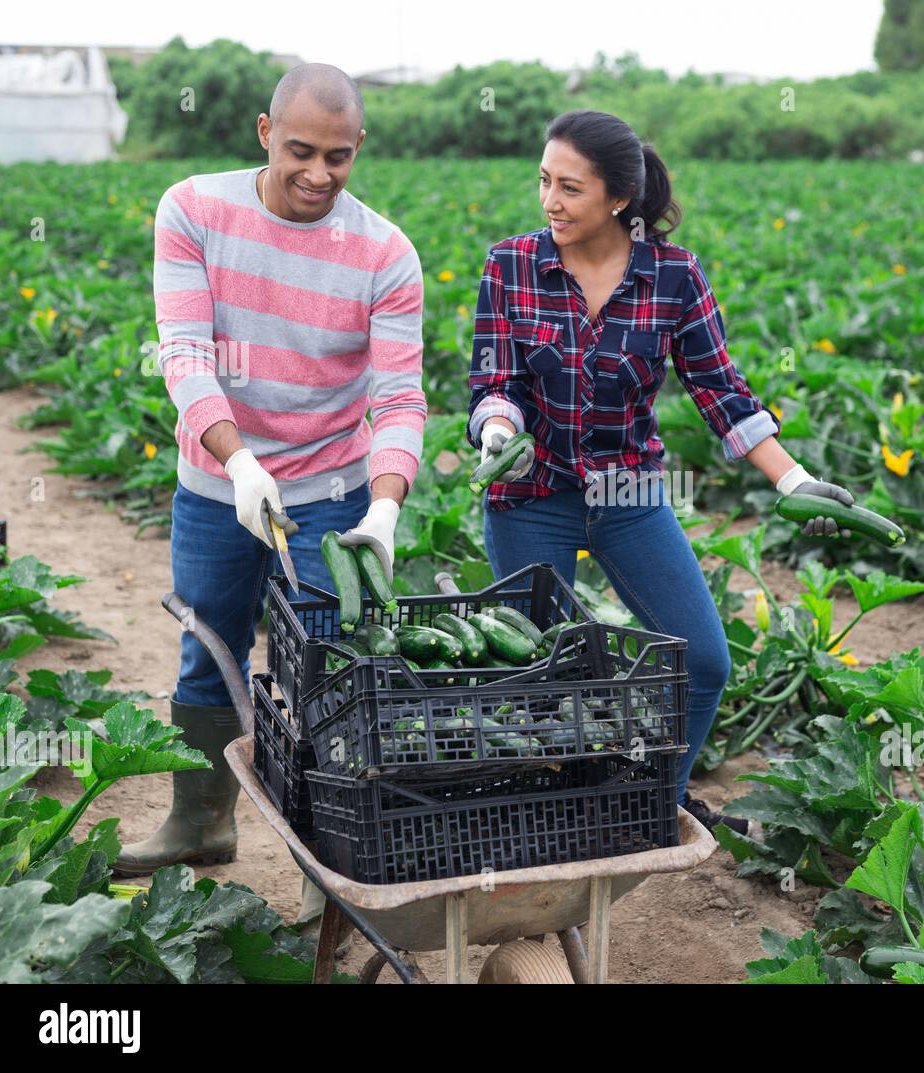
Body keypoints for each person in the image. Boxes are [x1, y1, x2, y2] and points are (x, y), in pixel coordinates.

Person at [468, 109, 856, 836]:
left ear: (619, 198)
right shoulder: (510, 263)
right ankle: (530, 823)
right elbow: (495, 379)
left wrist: (791, 477)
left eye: (570, 188)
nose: (549, 201)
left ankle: (644, 809)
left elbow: (720, 389)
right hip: (529, 493)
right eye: (544, 181)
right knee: (531, 682)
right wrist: (497, 429)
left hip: (628, 494)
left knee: (702, 660)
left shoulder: (672, 275)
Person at [117, 65, 426, 930]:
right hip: (220, 480)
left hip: (334, 490)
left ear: (358, 147)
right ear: (263, 133)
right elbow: (184, 353)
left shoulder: (385, 253)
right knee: (207, 644)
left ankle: (326, 862)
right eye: (299, 151)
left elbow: (400, 400)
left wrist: (386, 505)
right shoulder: (193, 210)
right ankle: (200, 821)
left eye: (338, 156)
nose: (318, 173)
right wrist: (241, 462)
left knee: (327, 666)